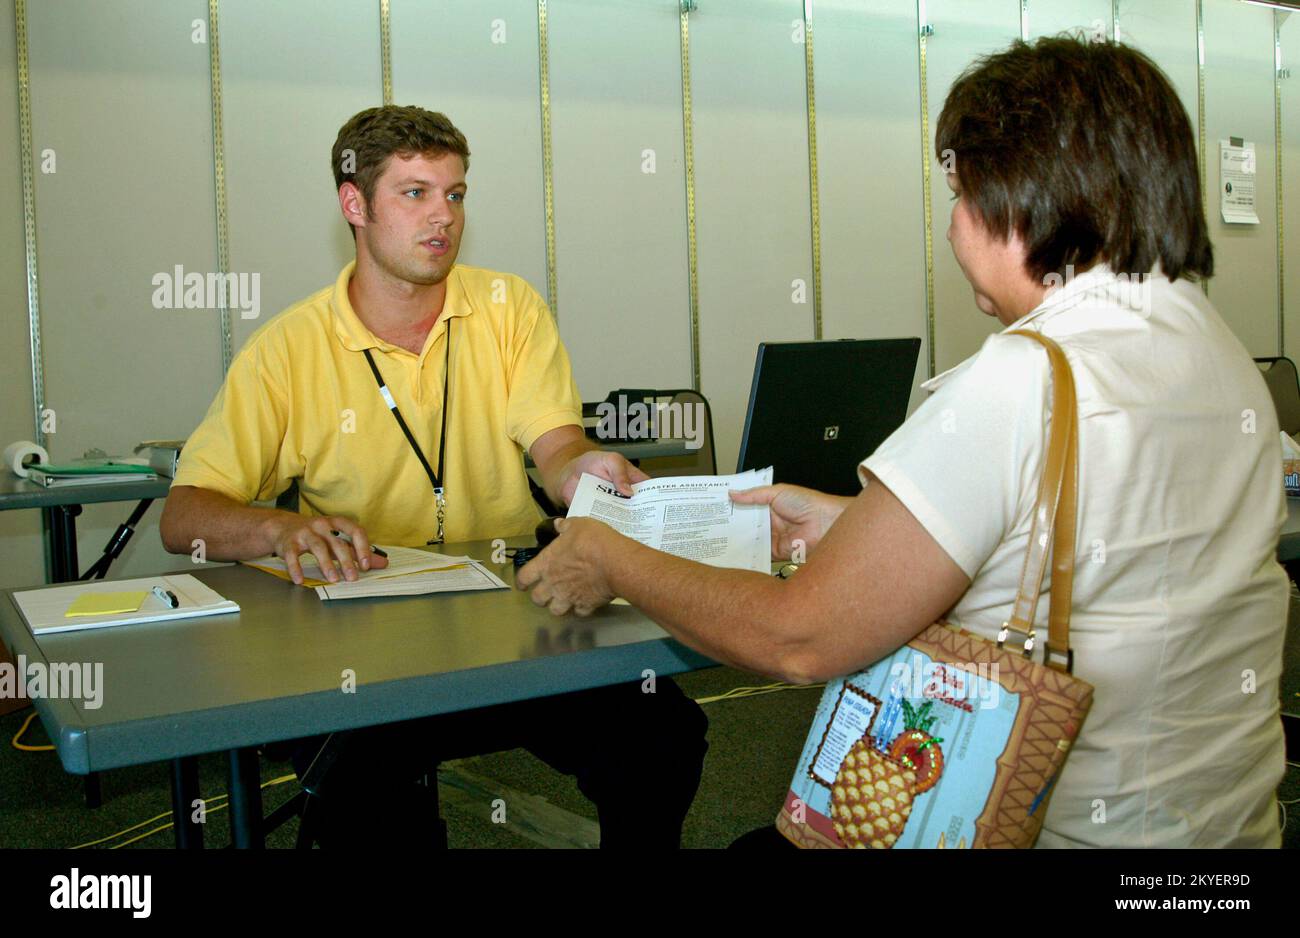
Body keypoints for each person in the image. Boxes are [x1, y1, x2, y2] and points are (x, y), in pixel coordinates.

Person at [518, 37, 1289, 848]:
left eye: (960, 194)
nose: (954, 227)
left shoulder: (1021, 380)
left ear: (1017, 199)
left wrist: (610, 557)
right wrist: (854, 524)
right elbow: (1096, 537)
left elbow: (800, 637)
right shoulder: (1215, 352)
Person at [159, 105, 707, 848]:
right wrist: (280, 526)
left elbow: (556, 447)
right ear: (354, 204)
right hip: (367, 647)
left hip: (519, 621)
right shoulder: (287, 348)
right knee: (369, 812)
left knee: (663, 736)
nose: (441, 216)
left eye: (455, 193)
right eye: (414, 193)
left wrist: (583, 470)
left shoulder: (510, 308)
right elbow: (185, 515)